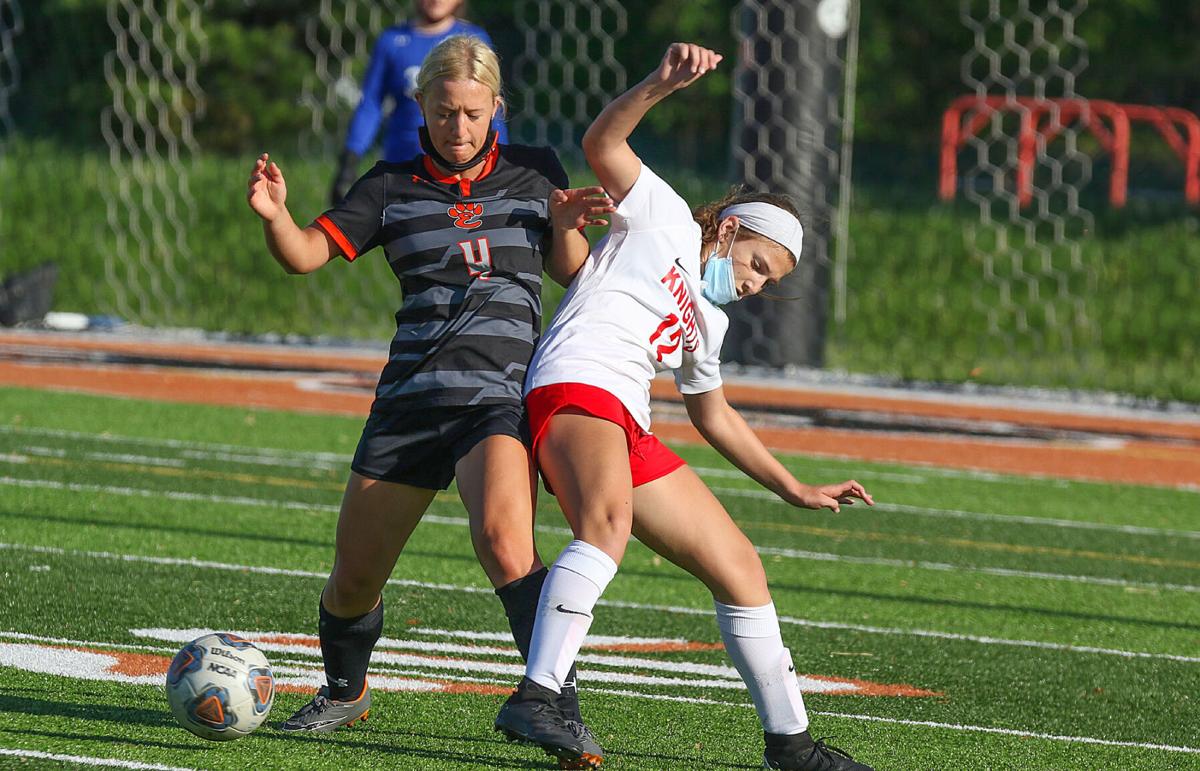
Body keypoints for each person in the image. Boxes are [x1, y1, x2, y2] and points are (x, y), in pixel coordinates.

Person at [491, 43, 876, 771]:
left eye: (773, 280)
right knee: (607, 527)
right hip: (577, 381)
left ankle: (791, 745)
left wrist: (793, 486)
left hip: (623, 418)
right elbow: (602, 142)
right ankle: (538, 694)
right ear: (729, 228)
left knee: (740, 567)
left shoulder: (714, 321)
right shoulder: (663, 215)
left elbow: (715, 415)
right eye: (759, 264)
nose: (759, 283)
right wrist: (660, 84)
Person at [246, 34, 614, 766]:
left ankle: (556, 708)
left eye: (474, 113)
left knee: (506, 543)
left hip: (496, 401)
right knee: (353, 580)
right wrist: (276, 216)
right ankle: (346, 690)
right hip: (411, 401)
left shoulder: (536, 173)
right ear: (421, 107)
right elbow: (306, 255)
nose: (460, 128)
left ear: (496, 108)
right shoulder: (389, 185)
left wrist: (569, 228)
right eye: (445, 113)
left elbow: (572, 274)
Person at [330, 0, 509, 204]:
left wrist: (502, 159)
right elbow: (371, 104)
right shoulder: (391, 41)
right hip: (404, 170)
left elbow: (488, 113)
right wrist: (350, 158)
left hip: (462, 174)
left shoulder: (474, 41)